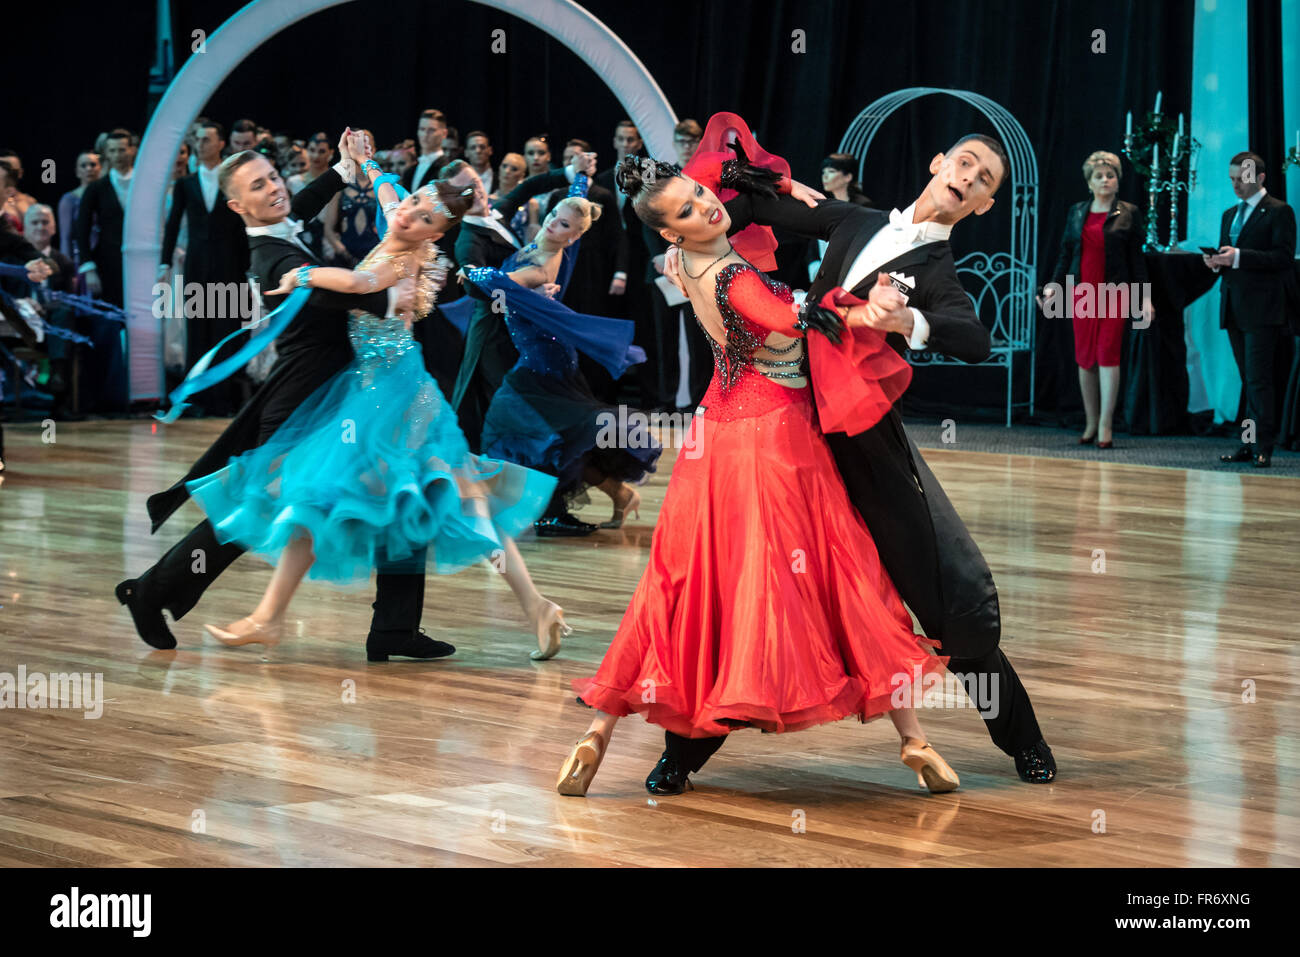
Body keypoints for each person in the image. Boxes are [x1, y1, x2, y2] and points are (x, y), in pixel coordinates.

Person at [652, 123, 1056, 792]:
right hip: (787, 438)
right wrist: (692, 241)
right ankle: (682, 753)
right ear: (938, 161)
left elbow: (975, 339)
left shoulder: (937, 272)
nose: (970, 177)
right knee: (752, 591)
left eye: (984, 181)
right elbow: (740, 204)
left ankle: (1026, 741)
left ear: (982, 206)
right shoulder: (856, 219)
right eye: (965, 162)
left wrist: (909, 323)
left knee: (948, 603)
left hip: (866, 450)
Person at [556, 133, 958, 798]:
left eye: (703, 195)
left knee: (681, 584)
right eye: (687, 210)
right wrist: (857, 309)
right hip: (773, 439)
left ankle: (597, 733)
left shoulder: (683, 264)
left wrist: (769, 183)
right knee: (841, 569)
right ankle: (912, 737)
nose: (708, 207)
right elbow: (782, 313)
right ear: (667, 231)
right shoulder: (732, 275)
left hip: (713, 436)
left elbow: (723, 160)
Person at [188, 140, 569, 661]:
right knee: (324, 497)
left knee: (444, 497)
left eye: (423, 217)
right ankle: (269, 617)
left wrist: (302, 274)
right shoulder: (403, 219)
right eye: (412, 203)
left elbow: (357, 281)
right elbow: (392, 192)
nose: (408, 214)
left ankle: (536, 606)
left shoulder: (404, 258)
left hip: (398, 397)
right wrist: (369, 164)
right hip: (371, 390)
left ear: (435, 234)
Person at [115, 134, 453, 664]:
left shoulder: (278, 221)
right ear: (236, 205)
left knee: (400, 485)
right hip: (306, 393)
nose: (274, 188)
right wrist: (385, 296)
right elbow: (314, 292)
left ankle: (395, 626)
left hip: (352, 386)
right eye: (258, 186)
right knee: (262, 501)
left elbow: (297, 206)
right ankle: (152, 590)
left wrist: (343, 171)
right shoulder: (268, 254)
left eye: (273, 176)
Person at [471, 181, 659, 536]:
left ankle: (529, 511)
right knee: (559, 436)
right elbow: (573, 208)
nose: (551, 223)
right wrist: (579, 181)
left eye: (562, 225)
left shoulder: (540, 268)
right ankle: (617, 494)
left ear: (573, 239)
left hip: (544, 361)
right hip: (547, 356)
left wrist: (470, 269)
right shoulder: (549, 246)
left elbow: (496, 282)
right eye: (553, 215)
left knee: (514, 423)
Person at [443, 150, 598, 455]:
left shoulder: (499, 211)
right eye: (463, 191)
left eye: (474, 182)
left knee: (530, 410)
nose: (474, 192)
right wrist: (524, 293)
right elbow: (476, 289)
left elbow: (528, 188)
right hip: (493, 336)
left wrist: (575, 172)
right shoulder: (468, 240)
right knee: (509, 410)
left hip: (523, 332)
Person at [1040, 150, 1151, 448]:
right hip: (1082, 294)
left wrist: (1144, 297)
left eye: (1110, 175)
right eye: (1099, 176)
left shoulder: (1128, 212)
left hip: (1115, 292)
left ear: (1118, 181)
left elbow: (1137, 259)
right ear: (1089, 182)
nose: (1105, 180)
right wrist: (1053, 285)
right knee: (1086, 358)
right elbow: (1066, 252)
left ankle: (1106, 424)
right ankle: (1090, 421)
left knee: (1107, 354)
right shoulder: (1077, 212)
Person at [1204, 151, 1297, 469]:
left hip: (1263, 308)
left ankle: (1264, 446)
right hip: (1234, 305)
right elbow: (1227, 255)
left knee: (1259, 379)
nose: (1235, 186)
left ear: (1259, 178)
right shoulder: (1230, 214)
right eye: (1231, 180)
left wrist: (1239, 257)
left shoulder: (1279, 212)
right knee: (1247, 378)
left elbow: (1283, 258)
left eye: (1240, 180)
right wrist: (1216, 263)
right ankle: (1247, 443)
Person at [160, 120, 253, 417]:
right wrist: (164, 261)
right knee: (198, 331)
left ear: (220, 144)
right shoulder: (186, 184)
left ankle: (223, 399)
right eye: (197, 139)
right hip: (197, 265)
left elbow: (244, 223)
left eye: (206, 139)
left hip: (231, 263)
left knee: (226, 331)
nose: (200, 145)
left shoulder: (233, 180)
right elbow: (174, 223)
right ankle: (194, 399)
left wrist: (252, 265)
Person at [75, 127, 135, 411]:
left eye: (122, 149)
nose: (117, 155)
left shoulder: (145, 184)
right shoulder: (97, 188)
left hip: (140, 268)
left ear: (131, 150)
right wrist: (88, 267)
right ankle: (106, 397)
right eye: (112, 151)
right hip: (108, 268)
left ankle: (139, 394)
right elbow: (81, 230)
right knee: (108, 329)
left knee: (139, 329)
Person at [805, 153, 873, 285]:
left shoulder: (862, 206)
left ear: (848, 176)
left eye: (831, 171)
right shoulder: (823, 204)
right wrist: (814, 265)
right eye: (823, 172)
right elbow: (813, 240)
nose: (825, 176)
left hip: (850, 271)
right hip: (822, 271)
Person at [57, 151, 101, 269]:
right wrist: (67, 266)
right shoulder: (69, 199)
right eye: (83, 165)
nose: (89, 169)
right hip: (80, 259)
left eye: (93, 164)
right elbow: (65, 237)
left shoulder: (107, 197)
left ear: (100, 168)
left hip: (105, 256)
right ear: (77, 171)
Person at [399, 109, 451, 193]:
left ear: (444, 134)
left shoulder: (447, 170)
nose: (425, 134)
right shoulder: (409, 172)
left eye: (431, 130)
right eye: (422, 129)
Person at [464, 131, 494, 195]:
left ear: (490, 150)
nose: (478, 151)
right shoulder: (458, 181)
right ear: (466, 153)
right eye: (473, 148)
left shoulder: (501, 179)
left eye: (482, 147)